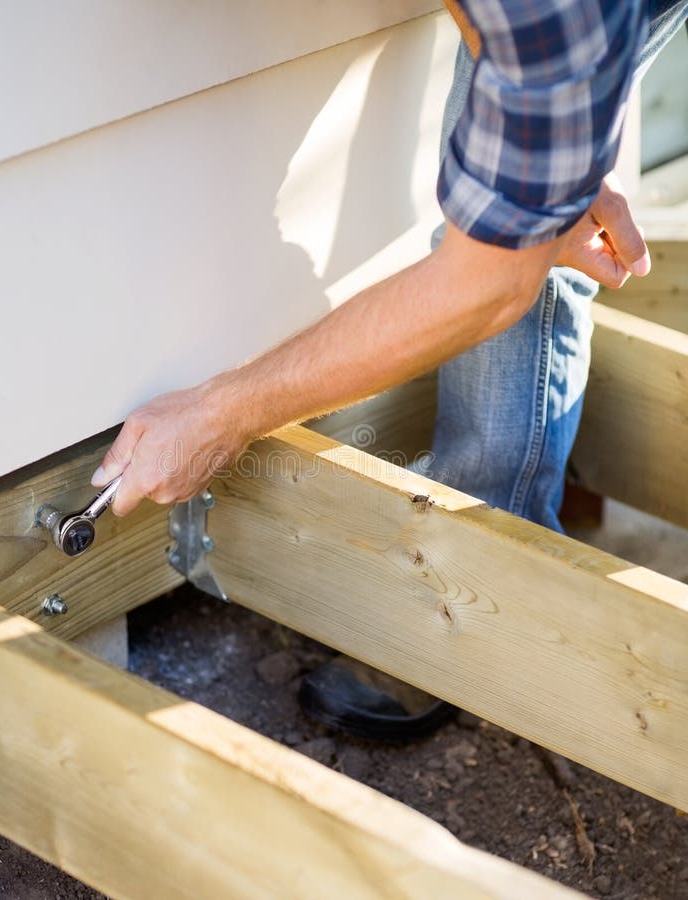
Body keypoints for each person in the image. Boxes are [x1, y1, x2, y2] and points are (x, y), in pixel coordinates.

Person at [92, 2, 688, 735]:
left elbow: (485, 289)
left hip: (564, 31)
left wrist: (224, 413)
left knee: (503, 249)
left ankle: (484, 589)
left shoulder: (552, 20)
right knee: (511, 195)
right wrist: (553, 176)